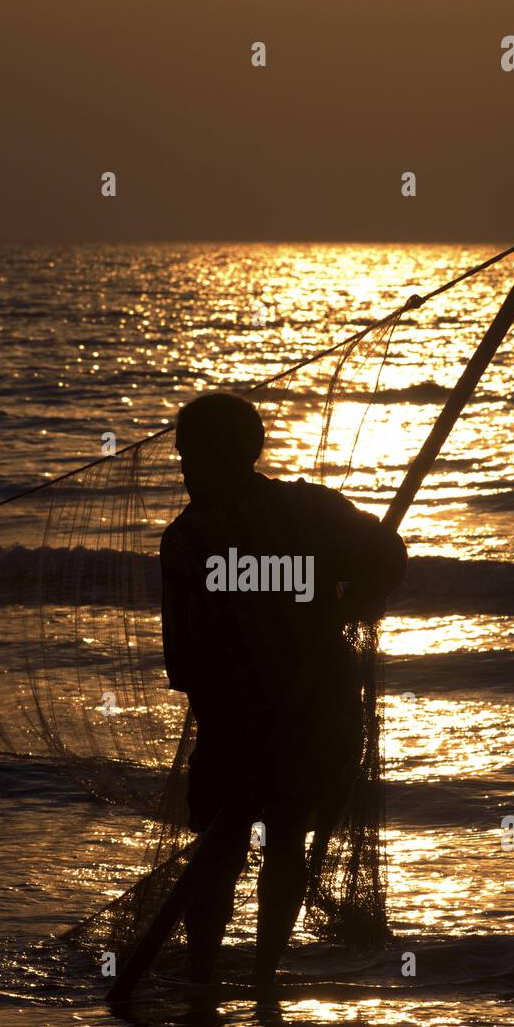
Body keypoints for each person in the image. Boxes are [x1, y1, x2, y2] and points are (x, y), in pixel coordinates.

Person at [160, 392, 406, 986]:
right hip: (260, 718)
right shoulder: (300, 512)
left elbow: (387, 556)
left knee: (258, 840)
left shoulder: (199, 537)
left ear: (228, 456)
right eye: (182, 457)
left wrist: (342, 612)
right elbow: (188, 664)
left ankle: (237, 978)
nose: (185, 470)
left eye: (192, 456)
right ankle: (226, 980)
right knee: (242, 844)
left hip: (300, 713)